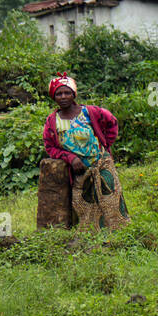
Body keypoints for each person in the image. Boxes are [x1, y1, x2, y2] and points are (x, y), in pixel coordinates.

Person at [42, 73, 130, 231]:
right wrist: (71, 158)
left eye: (67, 92)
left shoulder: (90, 112)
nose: (63, 96)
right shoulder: (52, 121)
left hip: (102, 164)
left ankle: (119, 232)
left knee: (111, 198)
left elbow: (112, 122)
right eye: (59, 93)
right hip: (79, 170)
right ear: (53, 97)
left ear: (73, 94)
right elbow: (50, 147)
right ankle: (91, 236)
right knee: (84, 203)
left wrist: (105, 145)